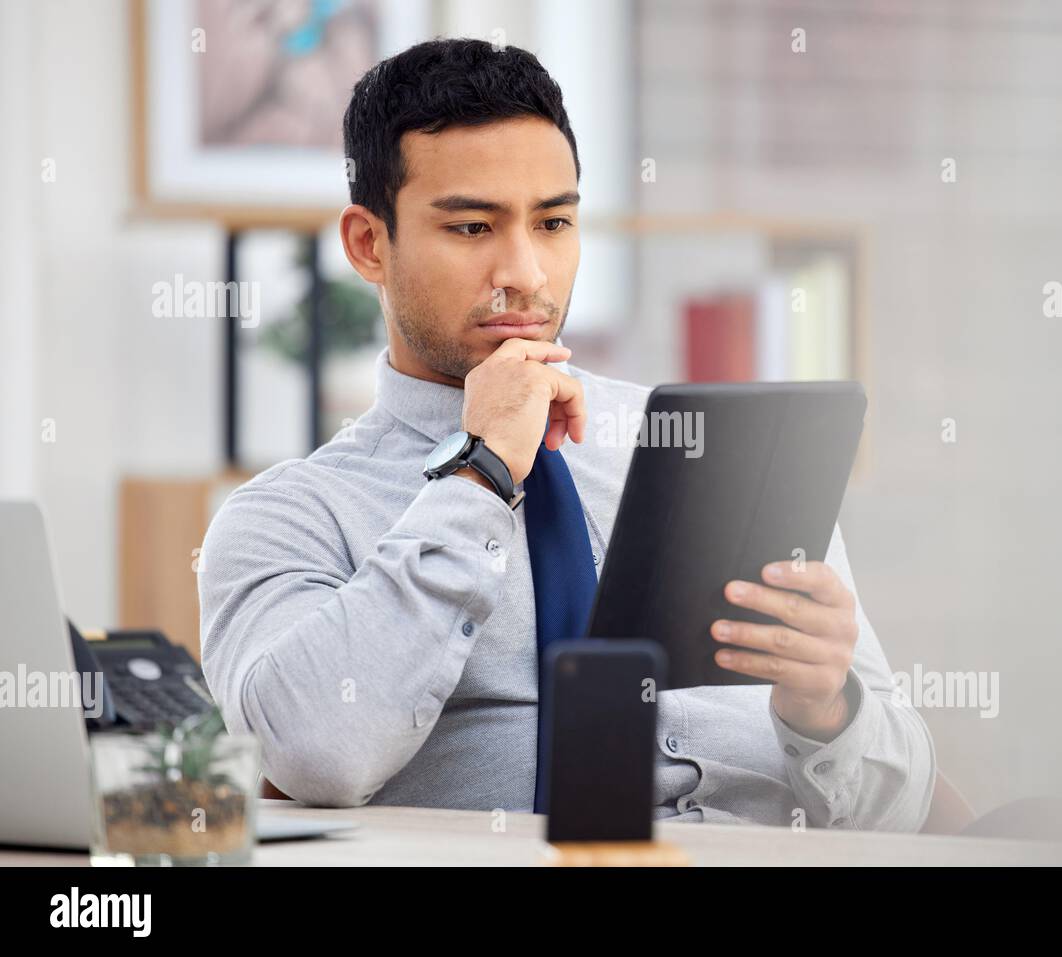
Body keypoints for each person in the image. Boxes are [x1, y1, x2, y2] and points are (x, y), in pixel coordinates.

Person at [199, 38, 935, 830]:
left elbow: (904, 813)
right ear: (368, 244)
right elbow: (314, 754)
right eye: (473, 228)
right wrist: (479, 472)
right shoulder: (289, 516)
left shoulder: (715, 449)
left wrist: (828, 707)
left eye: (553, 222)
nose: (526, 272)